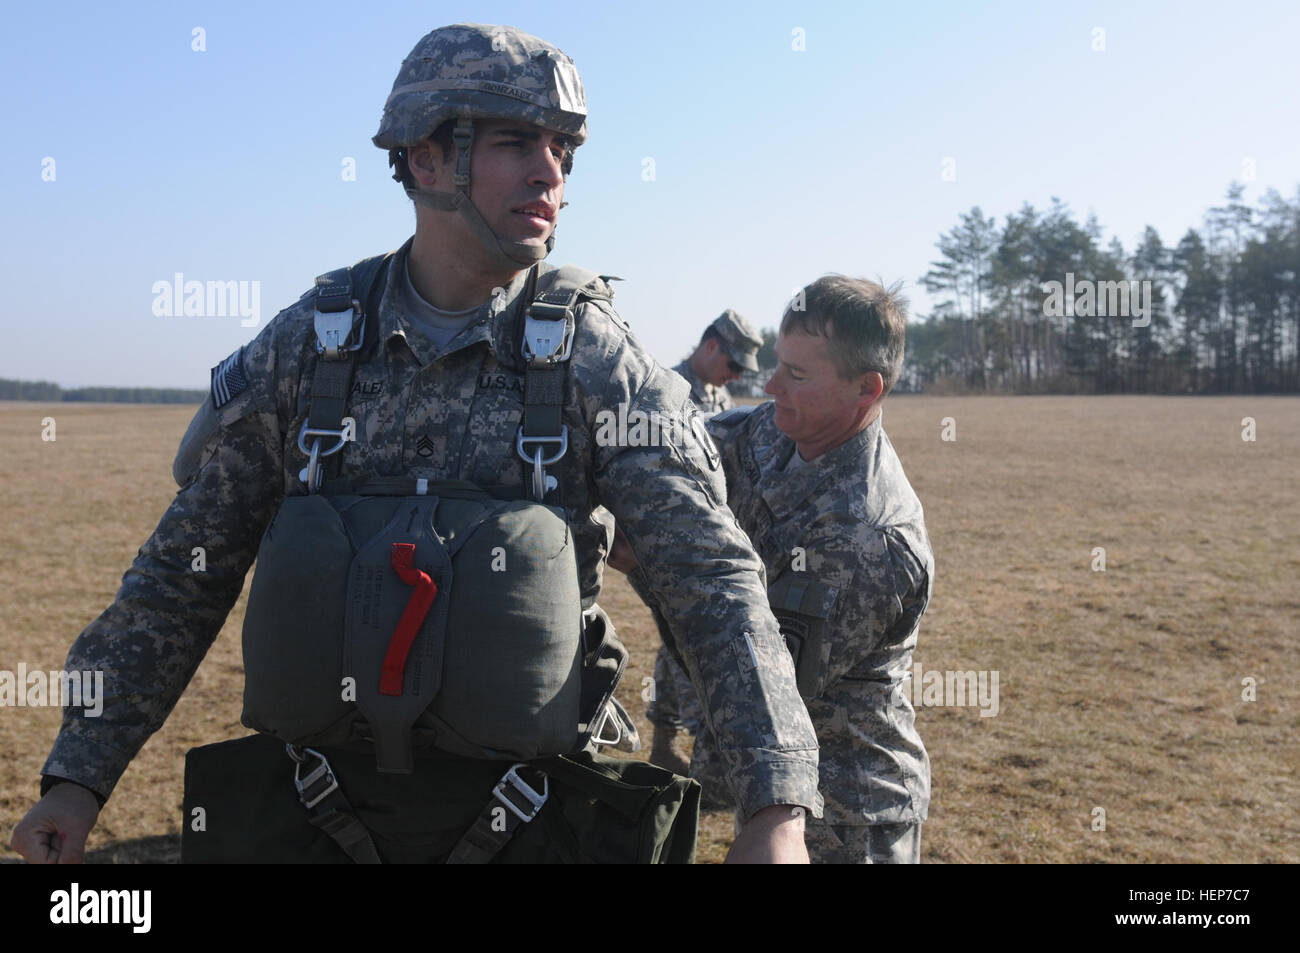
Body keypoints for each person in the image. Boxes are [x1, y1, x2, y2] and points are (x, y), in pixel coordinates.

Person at [9, 23, 819, 865]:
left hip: (528, 824)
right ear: (426, 158)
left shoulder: (594, 363)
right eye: (516, 142)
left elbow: (712, 584)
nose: (551, 173)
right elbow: (182, 572)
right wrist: (80, 773)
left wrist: (775, 807)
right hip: (315, 817)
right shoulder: (312, 349)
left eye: (564, 150)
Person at [614, 275, 933, 863]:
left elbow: (761, 681)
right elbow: (675, 445)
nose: (770, 384)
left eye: (797, 374)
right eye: (779, 364)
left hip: (849, 815)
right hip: (774, 792)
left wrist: (651, 567)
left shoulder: (871, 537)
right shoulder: (772, 433)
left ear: (866, 389)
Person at [647, 310, 761, 776]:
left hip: (715, 533)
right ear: (711, 346)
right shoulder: (664, 392)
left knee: (675, 639)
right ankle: (704, 759)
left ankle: (663, 744)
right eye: (734, 365)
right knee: (689, 640)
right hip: (675, 539)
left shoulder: (718, 392)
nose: (735, 376)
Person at [672, 310, 762, 413]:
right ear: (711, 347)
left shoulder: (723, 396)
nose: (736, 377)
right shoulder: (668, 391)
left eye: (741, 370)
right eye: (735, 367)